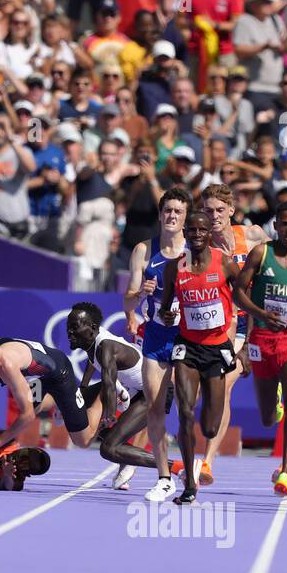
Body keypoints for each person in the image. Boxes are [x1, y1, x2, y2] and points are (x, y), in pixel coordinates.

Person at [151, 211, 244, 504]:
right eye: (191, 230)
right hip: (187, 347)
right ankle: (189, 484)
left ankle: (204, 436)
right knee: (186, 413)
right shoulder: (174, 268)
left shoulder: (224, 263)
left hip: (216, 349)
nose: (196, 234)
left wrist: (248, 344)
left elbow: (244, 300)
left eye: (201, 229)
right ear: (186, 234)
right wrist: (167, 315)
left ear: (208, 233)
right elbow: (166, 310)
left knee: (210, 426)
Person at [234, 202, 287, 497]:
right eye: (284, 224)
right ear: (276, 226)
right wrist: (261, 313)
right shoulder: (261, 253)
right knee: (268, 418)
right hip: (263, 340)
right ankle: (274, 403)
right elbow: (238, 293)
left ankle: (286, 471)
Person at [65, 302, 179, 491]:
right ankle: (126, 456)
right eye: (68, 327)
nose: (70, 332)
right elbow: (93, 364)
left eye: (75, 327)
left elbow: (109, 383)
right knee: (85, 406)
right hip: (138, 391)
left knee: (109, 448)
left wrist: (109, 416)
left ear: (92, 329)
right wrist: (83, 388)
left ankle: (176, 467)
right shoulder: (94, 345)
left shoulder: (105, 346)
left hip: (156, 393)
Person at [197, 184, 267, 483]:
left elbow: (278, 264)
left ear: (231, 211)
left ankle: (207, 461)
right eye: (208, 211)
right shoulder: (200, 248)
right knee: (211, 392)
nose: (214, 217)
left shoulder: (251, 235)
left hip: (254, 322)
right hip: (222, 325)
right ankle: (207, 459)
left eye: (219, 210)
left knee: (223, 386)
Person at [125, 189, 193, 500]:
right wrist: (141, 294)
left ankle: (190, 472)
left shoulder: (194, 251)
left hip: (187, 336)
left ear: (185, 217)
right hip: (155, 335)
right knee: (155, 408)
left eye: (178, 211)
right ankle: (165, 477)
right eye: (168, 210)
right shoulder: (143, 250)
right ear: (160, 214)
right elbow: (127, 297)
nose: (172, 216)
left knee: (187, 408)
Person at [0, 333, 88, 465]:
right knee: (32, 407)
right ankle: (58, 403)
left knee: (82, 440)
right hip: (35, 376)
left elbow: (28, 416)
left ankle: (97, 395)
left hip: (58, 371)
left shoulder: (6, 365)